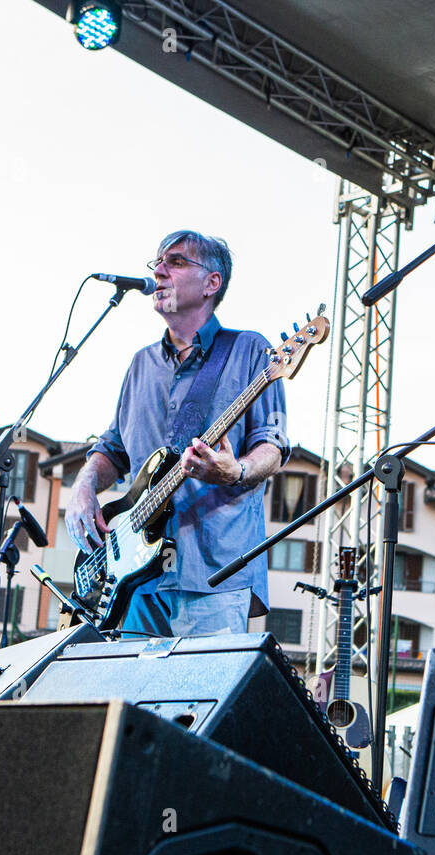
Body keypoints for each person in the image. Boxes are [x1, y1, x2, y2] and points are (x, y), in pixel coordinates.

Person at [65, 230, 289, 636]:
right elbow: (113, 449)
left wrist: (233, 470)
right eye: (157, 263)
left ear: (211, 283)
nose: (159, 271)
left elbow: (272, 444)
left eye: (176, 262)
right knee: (129, 700)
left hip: (213, 572)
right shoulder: (141, 364)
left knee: (200, 700)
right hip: (135, 579)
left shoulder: (250, 351)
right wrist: (83, 485)